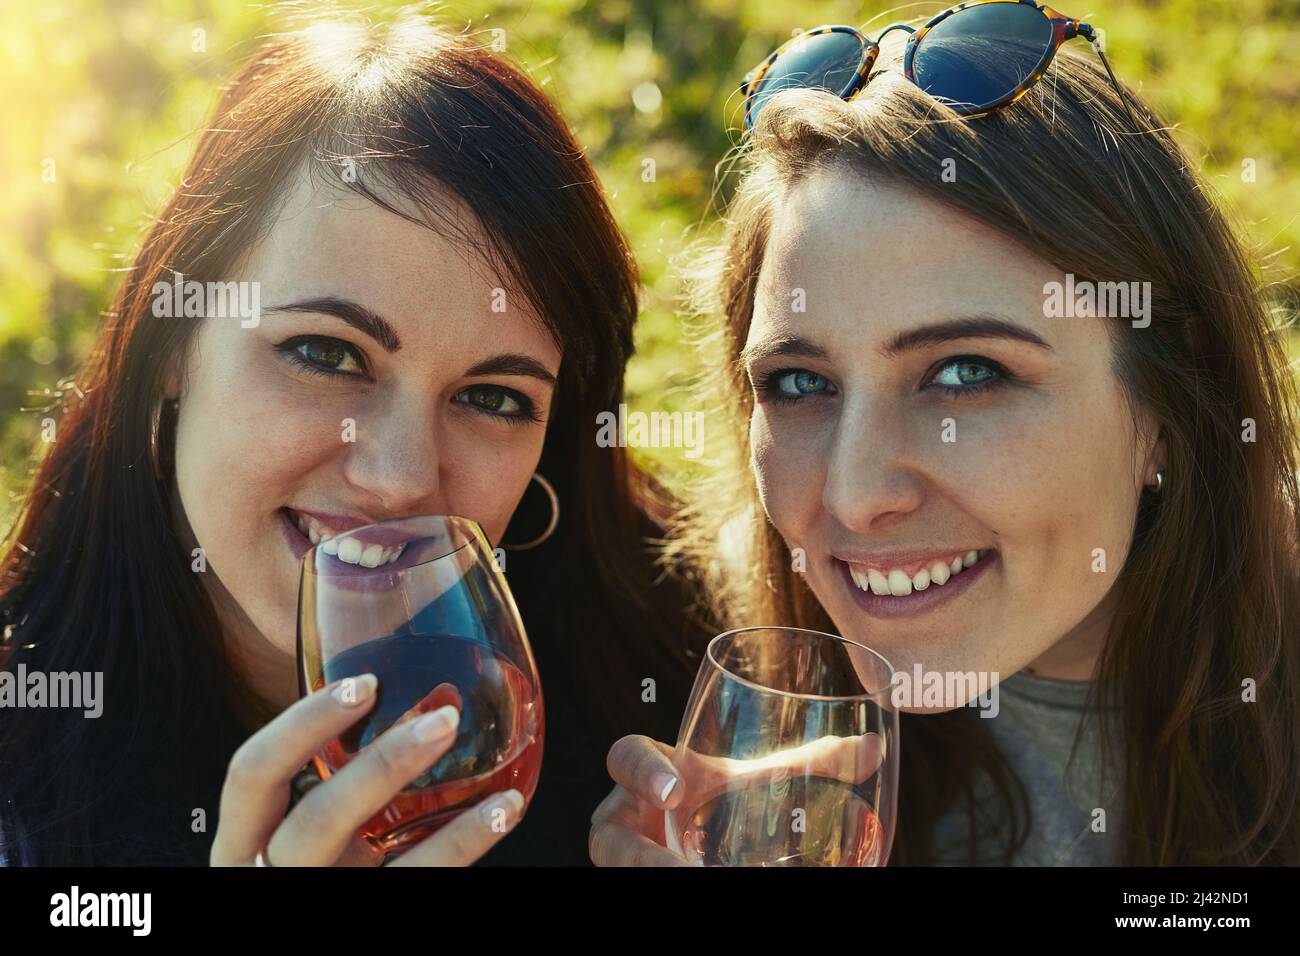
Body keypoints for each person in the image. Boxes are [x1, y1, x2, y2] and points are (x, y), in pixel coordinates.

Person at [591, 12, 1300, 866]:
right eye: (800, 383)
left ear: (1170, 405)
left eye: (965, 373)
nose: (854, 494)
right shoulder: (694, 672)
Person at [0, 13, 706, 866]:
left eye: (492, 397)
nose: (399, 478)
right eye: (328, 354)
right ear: (174, 346)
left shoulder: (670, 710)